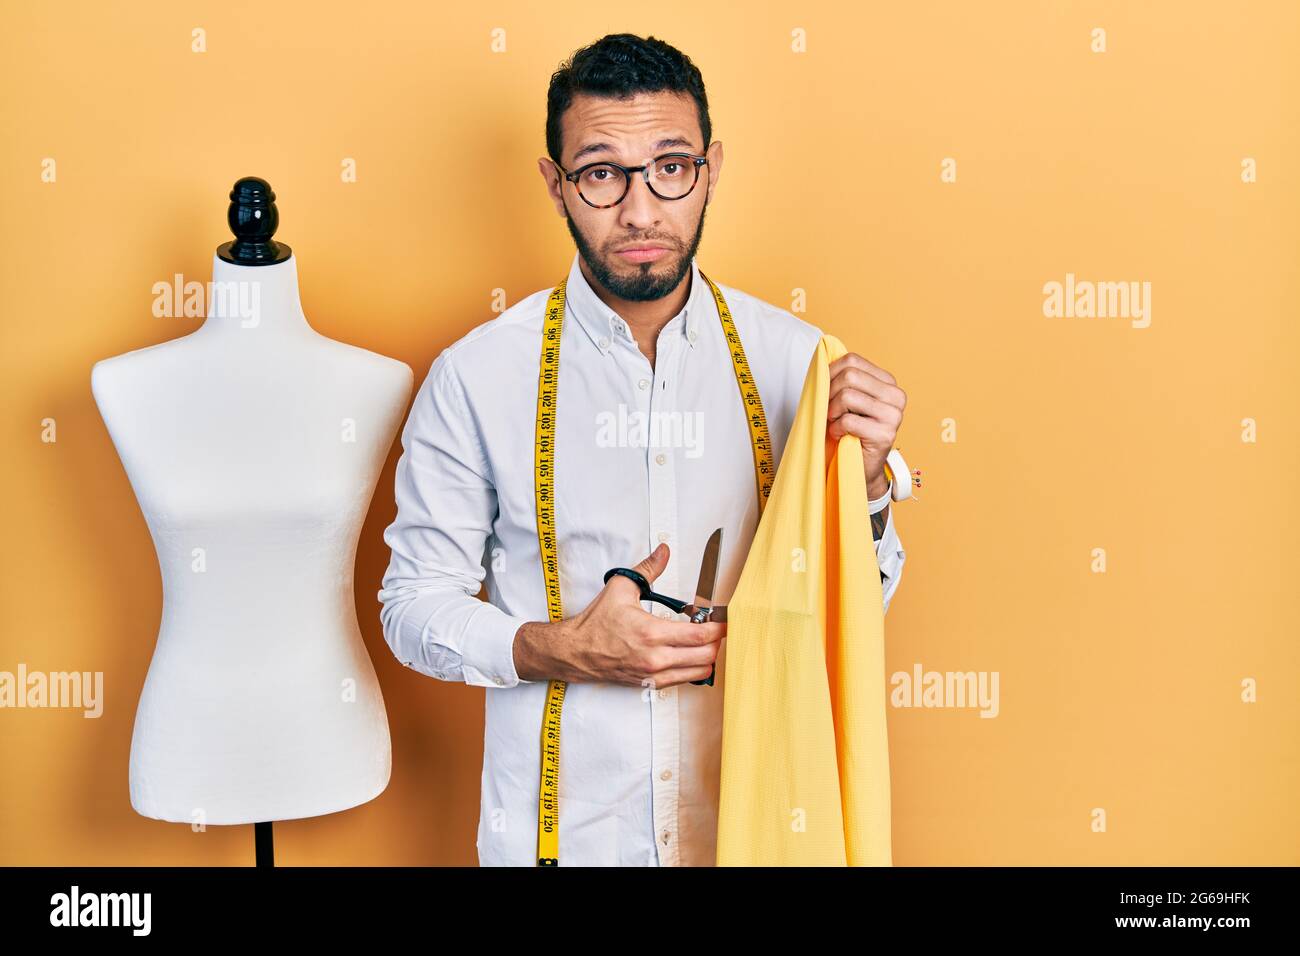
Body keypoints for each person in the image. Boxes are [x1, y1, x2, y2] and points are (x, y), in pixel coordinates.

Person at [378, 33, 908, 866]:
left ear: (711, 168)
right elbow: (411, 607)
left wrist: (866, 492)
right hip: (561, 839)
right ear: (555, 184)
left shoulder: (798, 365)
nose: (640, 210)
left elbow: (847, 610)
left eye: (671, 167)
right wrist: (561, 648)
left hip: (750, 830)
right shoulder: (477, 376)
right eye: (600, 173)